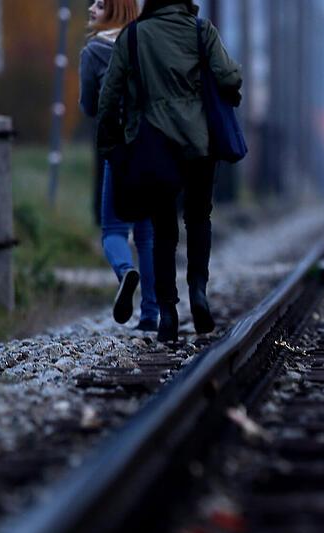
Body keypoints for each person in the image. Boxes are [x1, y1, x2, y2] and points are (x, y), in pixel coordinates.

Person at [95, 0, 243, 343]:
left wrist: (109, 146)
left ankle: (167, 313)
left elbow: (109, 96)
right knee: (198, 218)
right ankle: (198, 290)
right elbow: (229, 75)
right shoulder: (199, 30)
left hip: (153, 146)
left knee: (163, 229)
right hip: (199, 143)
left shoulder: (133, 36)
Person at [80, 0, 159, 332]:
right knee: (147, 234)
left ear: (114, 9)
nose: (90, 10)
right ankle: (151, 314)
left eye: (98, 4)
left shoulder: (94, 51)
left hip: (121, 150)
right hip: (156, 146)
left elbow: (88, 106)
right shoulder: (150, 42)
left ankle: (126, 271)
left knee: (113, 230)